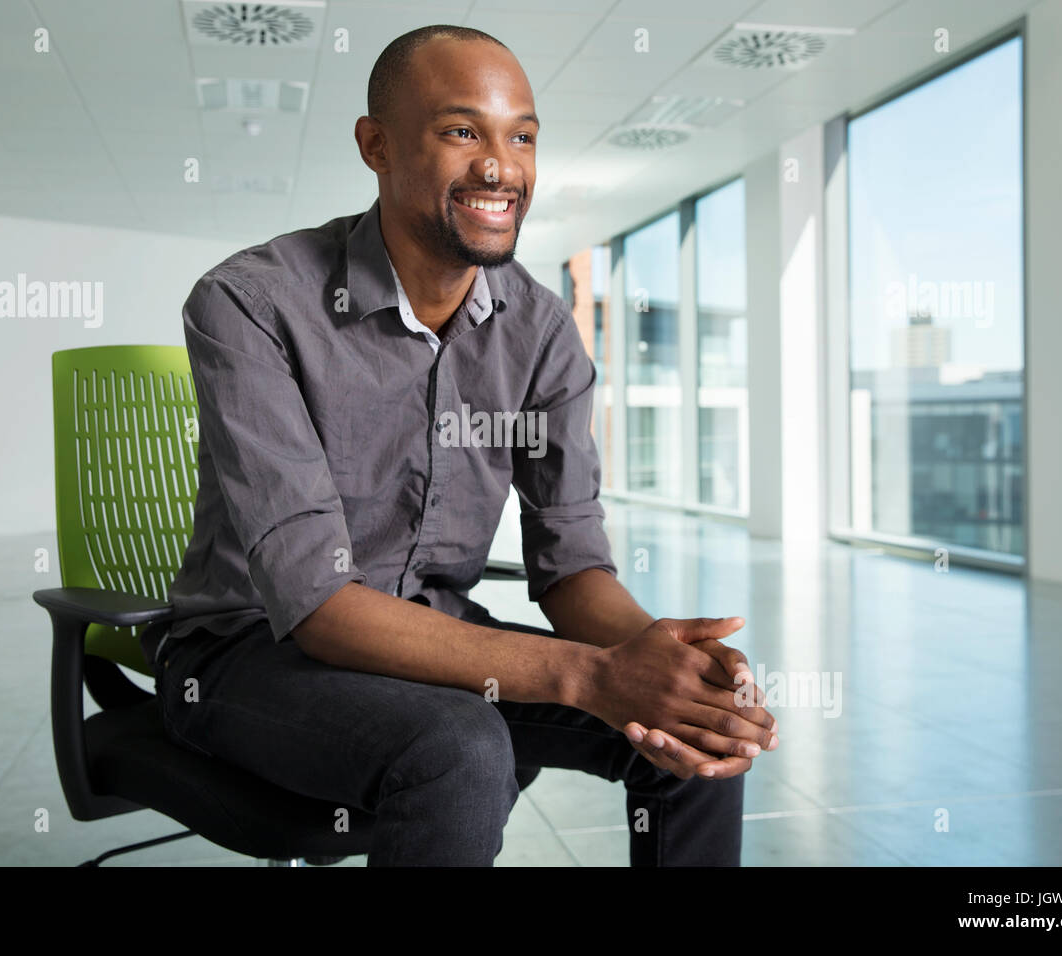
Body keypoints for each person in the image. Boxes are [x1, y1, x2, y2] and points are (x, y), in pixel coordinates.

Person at [141, 24, 778, 866]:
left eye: (521, 136)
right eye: (461, 131)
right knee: (460, 747)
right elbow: (319, 606)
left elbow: (573, 564)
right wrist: (588, 677)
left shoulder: (544, 331)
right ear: (377, 145)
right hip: (248, 653)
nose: (500, 165)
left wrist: (654, 659)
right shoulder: (251, 303)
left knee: (693, 727)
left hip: (433, 633)